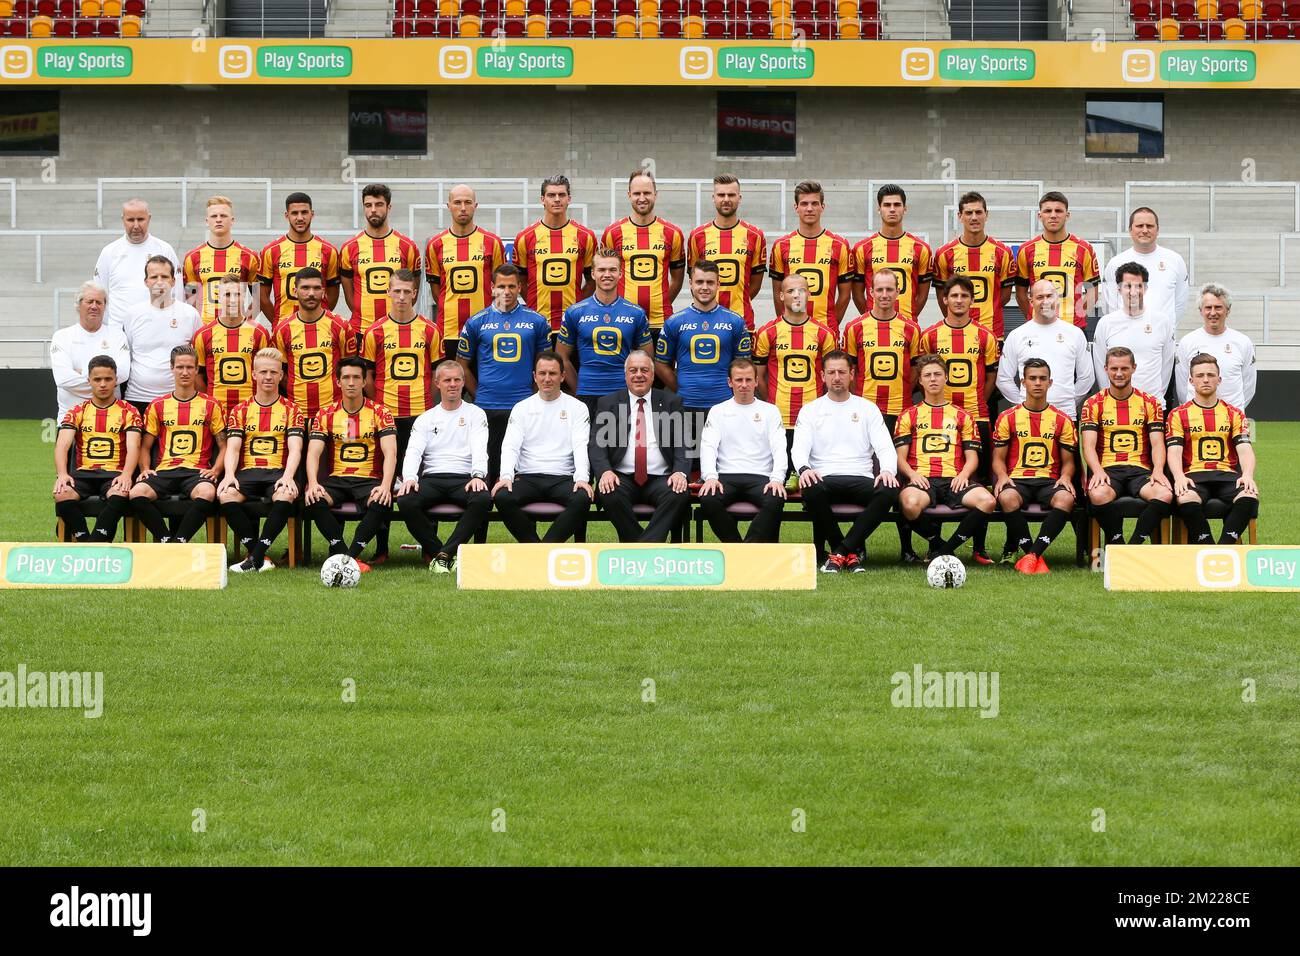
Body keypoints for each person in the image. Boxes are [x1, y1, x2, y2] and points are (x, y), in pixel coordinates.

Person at [840, 269, 922, 562]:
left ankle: (907, 548)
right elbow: (851, 371)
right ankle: (857, 546)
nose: (885, 295)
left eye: (890, 289)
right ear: (870, 292)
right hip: (864, 415)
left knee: (898, 480)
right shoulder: (855, 328)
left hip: (900, 414)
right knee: (866, 479)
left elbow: (915, 371)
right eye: (880, 290)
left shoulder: (911, 328)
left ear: (898, 293)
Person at [792, 350, 900, 572]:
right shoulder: (810, 410)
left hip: (860, 477)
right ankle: (848, 552)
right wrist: (804, 469)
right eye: (831, 372)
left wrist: (888, 470)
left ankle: (840, 552)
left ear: (852, 374)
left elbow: (885, 446)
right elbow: (799, 448)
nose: (837, 377)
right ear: (822, 376)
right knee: (810, 488)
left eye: (842, 372)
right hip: (824, 477)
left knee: (889, 491)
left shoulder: (867, 408)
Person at [361, 269, 442, 562]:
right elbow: (368, 377)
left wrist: (428, 409)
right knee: (384, 479)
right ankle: (381, 549)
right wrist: (379, 407)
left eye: (408, 292)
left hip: (421, 417)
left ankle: (430, 548)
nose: (402, 297)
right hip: (386, 419)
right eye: (397, 291)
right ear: (388, 292)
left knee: (422, 479)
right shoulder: (375, 332)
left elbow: (437, 375)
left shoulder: (430, 330)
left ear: (415, 294)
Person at [917, 276, 999, 561]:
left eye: (965, 296)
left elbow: (990, 377)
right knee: (939, 473)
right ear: (944, 299)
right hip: (938, 415)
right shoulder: (930, 336)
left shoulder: (985, 336)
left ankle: (979, 547)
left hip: (977, 415)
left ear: (972, 301)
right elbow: (926, 372)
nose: (959, 300)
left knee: (975, 481)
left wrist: (974, 403)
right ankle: (934, 544)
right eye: (954, 296)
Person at [457, 263, 553, 484]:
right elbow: (462, 365)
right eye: (501, 286)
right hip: (486, 406)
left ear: (520, 287)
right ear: (492, 287)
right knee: (485, 468)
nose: (506, 292)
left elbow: (545, 365)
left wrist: (532, 395)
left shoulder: (537, 321)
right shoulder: (476, 321)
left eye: (511, 286)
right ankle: (480, 514)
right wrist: (478, 393)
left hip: (523, 407)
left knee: (521, 469)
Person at [894, 355, 996, 558]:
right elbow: (899, 458)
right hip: (923, 480)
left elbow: (973, 457)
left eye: (937, 374)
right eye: (927, 375)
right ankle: (939, 544)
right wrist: (913, 475)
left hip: (954, 480)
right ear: (920, 381)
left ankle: (945, 550)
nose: (933, 379)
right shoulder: (908, 415)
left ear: (946, 377)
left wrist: (964, 475)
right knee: (909, 504)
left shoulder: (962, 415)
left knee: (988, 501)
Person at [396, 360, 492, 572]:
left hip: (464, 477)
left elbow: (480, 447)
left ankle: (444, 554)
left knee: (483, 499)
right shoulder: (425, 418)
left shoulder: (476, 414)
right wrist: (410, 477)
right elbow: (413, 451)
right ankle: (443, 553)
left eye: (457, 379)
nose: (452, 384)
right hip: (432, 478)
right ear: (437, 383)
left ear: (463, 383)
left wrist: (478, 475)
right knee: (405, 500)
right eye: (447, 380)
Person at [303, 357, 397, 571]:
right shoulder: (325, 414)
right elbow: (313, 453)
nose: (351, 382)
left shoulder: (380, 412)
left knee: (382, 501)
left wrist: (385, 486)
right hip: (337, 480)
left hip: (368, 480)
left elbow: (390, 453)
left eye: (356, 377)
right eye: (346, 377)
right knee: (313, 497)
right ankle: (342, 552)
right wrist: (313, 482)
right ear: (338, 382)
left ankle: (351, 555)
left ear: (365, 382)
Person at [654, 259, 751, 467]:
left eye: (710, 282)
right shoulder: (674, 321)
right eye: (699, 282)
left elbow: (742, 365)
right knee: (688, 468)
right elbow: (661, 364)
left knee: (723, 467)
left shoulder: (735, 321)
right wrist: (680, 387)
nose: (704, 287)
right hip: (687, 406)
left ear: (718, 284)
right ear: (690, 283)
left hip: (724, 407)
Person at [218, 349, 305, 573]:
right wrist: (228, 475)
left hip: (277, 472)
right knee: (225, 495)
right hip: (248, 473)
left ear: (281, 376)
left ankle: (254, 557)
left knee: (286, 494)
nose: (268, 376)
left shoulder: (292, 409)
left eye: (273, 372)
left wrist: (288, 476)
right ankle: (261, 556)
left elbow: (295, 449)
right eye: (263, 372)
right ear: (254, 375)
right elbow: (233, 448)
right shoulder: (240, 410)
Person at [492, 352, 593, 543]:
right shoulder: (521, 407)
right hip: (528, 477)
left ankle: (543, 550)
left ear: (563, 376)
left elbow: (581, 445)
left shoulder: (577, 408)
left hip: (562, 477)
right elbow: (510, 446)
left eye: (553, 374)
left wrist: (581, 478)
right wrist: (506, 476)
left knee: (582, 498)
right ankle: (538, 549)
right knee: (502, 496)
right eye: (542, 373)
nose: (547, 379)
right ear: (534, 376)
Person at [589, 351, 690, 543]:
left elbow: (683, 443)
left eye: (644, 370)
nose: (638, 375)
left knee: (679, 493)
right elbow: (596, 445)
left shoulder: (671, 402)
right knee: (608, 491)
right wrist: (605, 472)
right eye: (633, 370)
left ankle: (639, 550)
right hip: (622, 477)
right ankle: (647, 548)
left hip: (661, 478)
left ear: (652, 375)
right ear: (625, 374)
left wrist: (679, 472)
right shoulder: (608, 403)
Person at [129, 345, 226, 543]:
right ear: (171, 368)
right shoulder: (158, 405)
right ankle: (167, 540)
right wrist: (145, 468)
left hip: (196, 471)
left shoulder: (211, 404)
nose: (185, 372)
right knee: (136, 492)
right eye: (180, 367)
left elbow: (224, 446)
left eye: (190, 367)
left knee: (207, 492)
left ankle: (178, 542)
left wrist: (215, 470)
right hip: (165, 471)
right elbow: (145, 446)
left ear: (197, 369)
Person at [991, 358, 1078, 574]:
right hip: (1018, 480)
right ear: (1023, 382)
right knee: (1007, 497)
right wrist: (1002, 476)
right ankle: (1033, 556)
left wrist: (1066, 477)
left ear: (1050, 383)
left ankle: (1032, 555)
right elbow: (998, 459)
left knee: (1066, 498)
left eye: (1042, 378)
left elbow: (1069, 463)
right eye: (1032, 378)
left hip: (1049, 481)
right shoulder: (1007, 417)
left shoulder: (1062, 419)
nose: (1037, 383)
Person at [1081, 346, 1173, 547]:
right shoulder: (1093, 403)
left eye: (1124, 368)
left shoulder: (1151, 403)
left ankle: (1133, 546)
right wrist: (1096, 471)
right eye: (1114, 368)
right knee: (1097, 494)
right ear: (1106, 369)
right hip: (1108, 470)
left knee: (1164, 494)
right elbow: (1088, 446)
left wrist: (1158, 470)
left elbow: (1158, 444)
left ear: (1134, 368)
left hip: (1141, 471)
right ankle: (1117, 542)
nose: (1119, 373)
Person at [1167, 354, 1259, 546]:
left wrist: (1248, 475)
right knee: (1186, 498)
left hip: (1227, 476)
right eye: (1200, 375)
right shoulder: (1178, 414)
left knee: (1249, 496)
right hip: (1194, 476)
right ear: (1191, 381)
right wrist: (1179, 477)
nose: (1206, 379)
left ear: (1219, 379)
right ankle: (1207, 545)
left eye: (1210, 375)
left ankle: (1225, 546)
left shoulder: (1234, 413)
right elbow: (1174, 452)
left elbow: (1245, 449)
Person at [753, 273, 836, 478]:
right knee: (778, 479)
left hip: (813, 419)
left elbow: (831, 379)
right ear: (781, 296)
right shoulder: (767, 332)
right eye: (790, 291)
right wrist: (772, 402)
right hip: (778, 419)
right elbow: (759, 378)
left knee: (813, 480)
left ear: (809, 294)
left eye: (801, 290)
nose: (796, 295)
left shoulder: (824, 333)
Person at [697, 357, 787, 543]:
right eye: (739, 380)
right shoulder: (718, 411)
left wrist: (777, 479)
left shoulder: (770, 411)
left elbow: (779, 447)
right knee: (708, 498)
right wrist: (711, 477)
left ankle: (744, 551)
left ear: (756, 381)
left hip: (761, 476)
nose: (744, 385)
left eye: (748, 380)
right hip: (726, 476)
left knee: (776, 498)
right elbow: (708, 446)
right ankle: (737, 547)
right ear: (730, 382)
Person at [53, 355, 141, 542]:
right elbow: (62, 445)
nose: (103, 384)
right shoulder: (77, 411)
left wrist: (126, 475)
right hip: (83, 474)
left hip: (114, 474)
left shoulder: (129, 411)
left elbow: (134, 447)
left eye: (108, 379)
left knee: (121, 493)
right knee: (61, 494)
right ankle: (86, 541)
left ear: (116, 380)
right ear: (89, 381)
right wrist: (62, 474)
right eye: (97, 379)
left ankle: (96, 542)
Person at [557, 248, 653, 415]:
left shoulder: (636, 313)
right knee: (587, 442)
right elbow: (561, 358)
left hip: (623, 393)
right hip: (587, 393)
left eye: (612, 270)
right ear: (593, 273)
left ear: (620, 274)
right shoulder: (575, 312)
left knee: (622, 441)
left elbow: (648, 360)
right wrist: (579, 388)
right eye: (601, 270)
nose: (607, 274)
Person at [601, 169, 685, 343]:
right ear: (629, 195)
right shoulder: (612, 233)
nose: (642, 198)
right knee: (623, 370)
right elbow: (604, 277)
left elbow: (677, 279)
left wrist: (661, 302)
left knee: (661, 370)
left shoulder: (673, 233)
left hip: (661, 321)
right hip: (622, 320)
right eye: (637, 193)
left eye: (647, 193)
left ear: (655, 194)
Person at [424, 183, 506, 361]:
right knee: (451, 386)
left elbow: (501, 288)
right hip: (449, 331)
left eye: (468, 202)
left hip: (485, 329)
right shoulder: (435, 244)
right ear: (449, 206)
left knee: (484, 385)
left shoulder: (492, 242)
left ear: (475, 205)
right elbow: (437, 290)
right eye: (457, 202)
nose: (463, 208)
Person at [513, 174, 597, 345]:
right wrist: (533, 304)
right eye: (551, 195)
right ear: (542, 199)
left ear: (569, 199)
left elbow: (592, 280)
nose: (557, 199)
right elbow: (519, 280)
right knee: (539, 371)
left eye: (561, 195)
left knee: (571, 370)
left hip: (573, 324)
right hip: (537, 323)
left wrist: (578, 307)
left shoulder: (585, 236)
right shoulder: (525, 237)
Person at [269, 266, 357, 422]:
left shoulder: (341, 326)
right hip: (296, 414)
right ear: (295, 291)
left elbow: (350, 368)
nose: (311, 293)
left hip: (336, 412)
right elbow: (279, 372)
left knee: (349, 445)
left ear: (323, 292)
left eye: (316, 288)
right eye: (305, 288)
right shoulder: (282, 330)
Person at [768, 180, 853, 337]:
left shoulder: (839, 245)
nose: (809, 208)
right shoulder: (781, 245)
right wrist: (786, 322)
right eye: (804, 204)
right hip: (791, 330)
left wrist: (831, 325)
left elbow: (845, 295)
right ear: (796, 208)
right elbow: (777, 293)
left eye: (814, 203)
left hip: (827, 331)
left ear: (822, 207)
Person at [122, 255, 203, 418]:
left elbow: (199, 358)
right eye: (154, 277)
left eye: (165, 277)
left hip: (177, 398)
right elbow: (128, 355)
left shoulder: (190, 314)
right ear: (146, 282)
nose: (160, 281)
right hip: (138, 397)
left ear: (173, 281)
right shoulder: (133, 314)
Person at [998, 280, 1093, 416]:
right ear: (1031, 301)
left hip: (1065, 414)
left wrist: (1068, 403)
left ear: (1057, 299)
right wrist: (1023, 404)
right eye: (1040, 297)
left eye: (1049, 296)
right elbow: (1003, 379)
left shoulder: (1075, 333)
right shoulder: (1017, 335)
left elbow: (1087, 377)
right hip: (1027, 417)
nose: (1045, 301)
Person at [339, 183, 421, 340]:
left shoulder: (407, 246)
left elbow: (413, 289)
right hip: (361, 330)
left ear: (389, 207)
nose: (373, 210)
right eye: (368, 205)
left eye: (379, 204)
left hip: (397, 328)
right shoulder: (349, 247)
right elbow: (350, 296)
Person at [932, 191, 1018, 342]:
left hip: (993, 333)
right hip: (956, 330)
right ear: (960, 216)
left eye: (978, 212)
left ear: (986, 215)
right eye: (968, 213)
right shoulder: (944, 253)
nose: (974, 217)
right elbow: (942, 296)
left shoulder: (1003, 252)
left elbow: (1003, 296)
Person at [687, 174, 766, 329]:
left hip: (743, 322)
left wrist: (739, 300)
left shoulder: (755, 235)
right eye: (721, 194)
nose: (726, 199)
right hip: (705, 322)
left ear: (739, 197)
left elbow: (756, 282)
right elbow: (694, 279)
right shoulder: (697, 236)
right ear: (713, 197)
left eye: (731, 195)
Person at [1091, 262, 1176, 406]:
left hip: (1153, 405)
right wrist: (1110, 399)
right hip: (1115, 405)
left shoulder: (1162, 321)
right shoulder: (1106, 323)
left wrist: (1157, 396)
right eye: (1128, 286)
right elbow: (1100, 366)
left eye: (1139, 286)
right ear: (1119, 289)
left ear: (1146, 288)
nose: (1134, 292)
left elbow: (1167, 364)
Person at [1014, 191, 1100, 331]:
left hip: (1073, 328)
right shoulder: (1026, 250)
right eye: (1048, 211)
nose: (1053, 215)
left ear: (1067, 215)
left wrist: (1078, 316)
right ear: (1040, 215)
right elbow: (1020, 293)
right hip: (1038, 327)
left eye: (1058, 211)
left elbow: (1093, 290)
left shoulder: (1084, 249)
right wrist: (1033, 316)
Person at [851, 184, 934, 325]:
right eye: (887, 205)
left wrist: (908, 319)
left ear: (905, 209)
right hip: (872, 326)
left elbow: (922, 295)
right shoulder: (862, 248)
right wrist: (871, 316)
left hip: (908, 326)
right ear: (879, 209)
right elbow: (858, 294)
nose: (892, 209)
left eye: (897, 205)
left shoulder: (921, 249)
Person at [51, 281, 131, 423]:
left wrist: (80, 373)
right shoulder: (62, 336)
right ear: (78, 305)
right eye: (90, 302)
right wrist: (106, 380)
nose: (94, 306)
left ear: (105, 306)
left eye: (99, 302)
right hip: (70, 420)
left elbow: (123, 374)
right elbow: (62, 378)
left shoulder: (117, 336)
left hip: (110, 420)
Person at [93, 198, 180, 328]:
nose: (136, 226)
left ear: (149, 218)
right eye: (130, 220)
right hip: (118, 332)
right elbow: (100, 294)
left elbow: (177, 292)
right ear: (123, 219)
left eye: (140, 219)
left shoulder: (164, 249)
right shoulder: (109, 252)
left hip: (156, 327)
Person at [259, 192, 341, 325]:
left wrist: (314, 317)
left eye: (304, 212)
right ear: (287, 216)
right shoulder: (270, 251)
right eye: (294, 213)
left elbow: (332, 295)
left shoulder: (328, 250)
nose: (300, 217)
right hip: (283, 330)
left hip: (320, 328)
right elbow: (261, 297)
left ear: (312, 214)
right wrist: (278, 323)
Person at [193, 274, 270, 412]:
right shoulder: (203, 334)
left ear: (245, 296)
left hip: (250, 411)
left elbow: (266, 375)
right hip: (216, 411)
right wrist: (209, 406)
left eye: (238, 294)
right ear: (219, 297)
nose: (233, 300)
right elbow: (199, 375)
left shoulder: (259, 333)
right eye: (227, 294)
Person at [1099, 207, 1189, 326]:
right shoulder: (1116, 263)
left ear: (1158, 230)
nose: (1145, 230)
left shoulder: (1175, 260)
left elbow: (1180, 303)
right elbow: (1109, 304)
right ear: (1130, 230)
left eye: (1150, 226)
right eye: (1140, 226)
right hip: (1125, 335)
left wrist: (1164, 327)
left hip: (1162, 336)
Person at [1175, 283, 1256, 412]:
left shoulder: (1243, 342)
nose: (1213, 312)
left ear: (1227, 310)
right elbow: (1182, 386)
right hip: (1196, 418)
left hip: (1232, 420)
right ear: (1201, 311)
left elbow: (1249, 385)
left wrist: (1233, 411)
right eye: (1208, 307)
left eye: (1218, 307)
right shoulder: (1187, 342)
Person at [182, 195, 260, 325]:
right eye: (214, 216)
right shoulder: (192, 257)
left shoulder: (249, 256)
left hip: (237, 328)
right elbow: (190, 299)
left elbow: (258, 298)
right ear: (207, 221)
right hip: (204, 330)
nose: (218, 220)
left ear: (232, 220)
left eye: (223, 216)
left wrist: (247, 322)